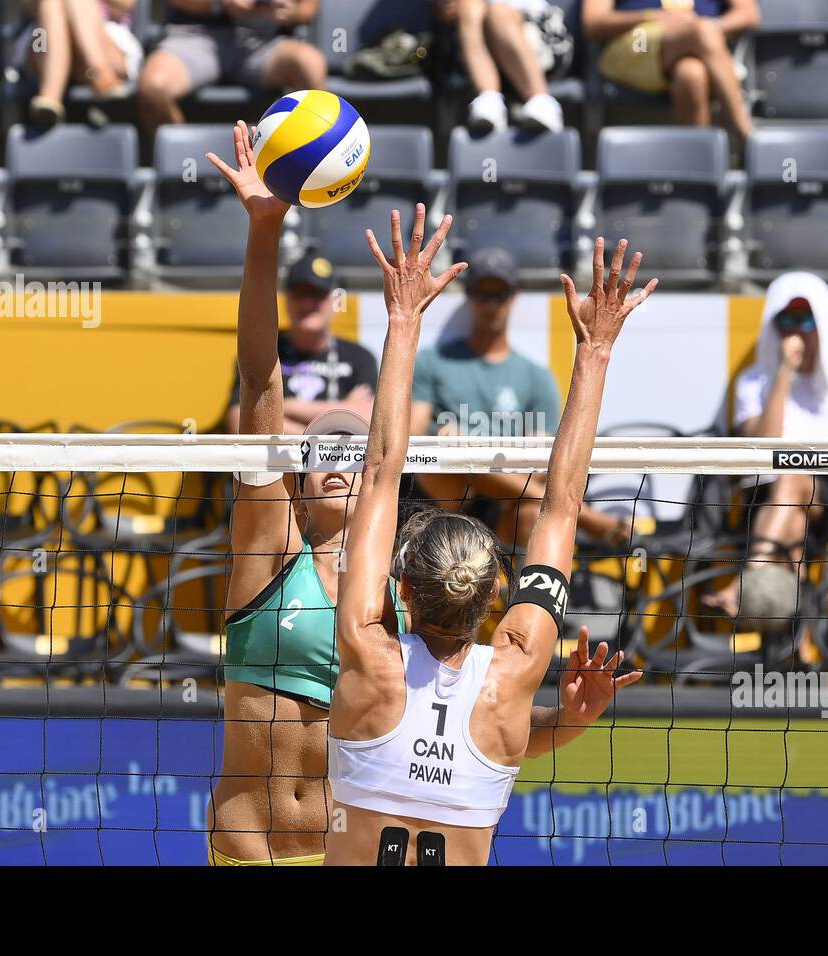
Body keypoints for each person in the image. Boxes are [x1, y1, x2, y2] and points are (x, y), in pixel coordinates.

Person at [203, 130, 635, 865]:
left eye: (351, 447)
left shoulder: (391, 613)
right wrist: (263, 231)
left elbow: (477, 744)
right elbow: (261, 385)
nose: (340, 460)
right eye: (321, 451)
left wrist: (563, 721)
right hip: (258, 846)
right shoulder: (272, 554)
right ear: (298, 480)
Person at [326, 212, 654, 866]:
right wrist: (595, 350)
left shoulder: (370, 654)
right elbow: (560, 509)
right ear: (494, 595)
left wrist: (404, 319)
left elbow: (383, 469)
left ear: (401, 590)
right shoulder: (513, 675)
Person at [409, 246, 629, 552]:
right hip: (447, 493)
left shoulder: (535, 377)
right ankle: (588, 518)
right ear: (469, 295)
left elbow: (541, 463)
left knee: (531, 513)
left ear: (514, 295)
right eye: (482, 293)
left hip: (510, 500)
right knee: (448, 450)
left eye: (499, 293)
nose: (491, 304)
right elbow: (413, 437)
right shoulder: (432, 362)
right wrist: (457, 450)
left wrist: (475, 453)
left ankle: (521, 598)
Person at [703, 271, 828, 618]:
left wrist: (796, 464)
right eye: (787, 320)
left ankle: (746, 580)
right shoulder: (755, 381)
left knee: (792, 476)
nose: (795, 330)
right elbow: (764, 446)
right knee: (793, 528)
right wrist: (783, 374)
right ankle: (800, 650)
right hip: (768, 499)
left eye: (805, 320)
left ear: (823, 323)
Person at [224, 253, 377, 434]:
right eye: (300, 294)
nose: (307, 303)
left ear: (336, 301)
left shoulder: (359, 357)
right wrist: (341, 412)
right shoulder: (261, 352)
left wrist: (279, 408)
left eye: (317, 294)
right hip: (275, 462)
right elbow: (238, 419)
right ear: (286, 299)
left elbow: (369, 420)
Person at [138, 0, 326, 138]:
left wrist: (290, 12)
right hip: (192, 36)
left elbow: (308, 8)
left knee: (309, 64)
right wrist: (219, 3)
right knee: (154, 87)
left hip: (263, 41)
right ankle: (180, 171)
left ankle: (311, 165)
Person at [582, 0, 758, 132]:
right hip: (637, 40)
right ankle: (742, 130)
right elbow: (593, 22)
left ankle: (698, 169)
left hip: (704, 47)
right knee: (701, 31)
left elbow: (749, 13)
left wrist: (711, 30)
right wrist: (652, 16)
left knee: (691, 74)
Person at [432, 0, 568, 134]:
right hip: (477, 50)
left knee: (497, 13)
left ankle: (542, 101)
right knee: (470, 6)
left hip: (541, 39)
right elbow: (443, 10)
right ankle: (489, 100)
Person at [15, 0, 144, 128]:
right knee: (50, 3)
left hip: (106, 35)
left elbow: (125, 4)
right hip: (41, 37)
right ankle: (100, 79)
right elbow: (28, 7)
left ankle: (50, 97)